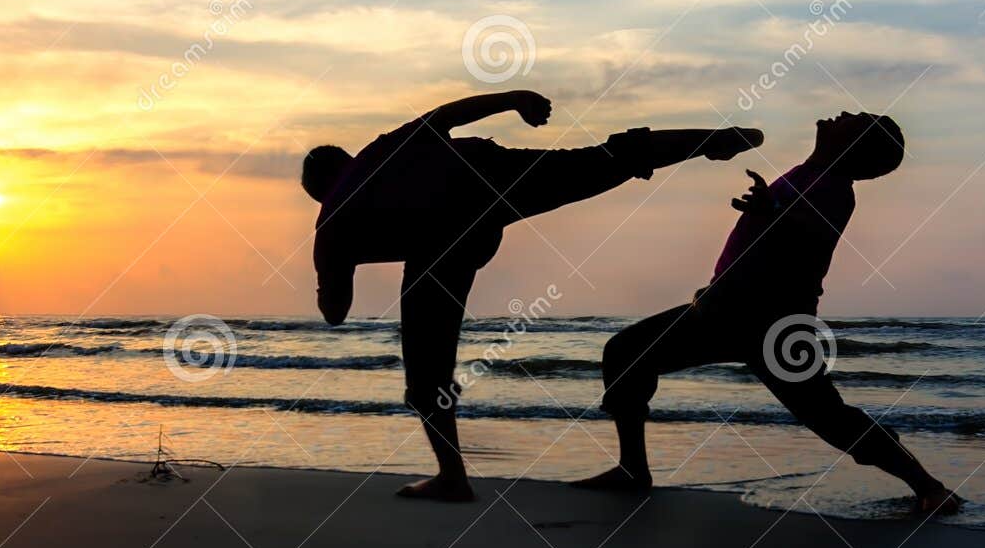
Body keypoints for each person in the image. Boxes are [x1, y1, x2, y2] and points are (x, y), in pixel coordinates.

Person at [303, 89, 762, 501]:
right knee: (597, 163)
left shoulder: (331, 225)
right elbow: (446, 115)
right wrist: (515, 98)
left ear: (318, 194)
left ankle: (452, 477)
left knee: (427, 375)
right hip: (484, 176)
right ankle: (709, 140)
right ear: (346, 159)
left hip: (442, 242)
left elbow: (336, 312)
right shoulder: (378, 151)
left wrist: (336, 273)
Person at [574, 111, 961, 515]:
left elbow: (813, 235)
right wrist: (768, 208)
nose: (844, 113)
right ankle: (632, 469)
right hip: (722, 312)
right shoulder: (808, 174)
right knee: (626, 352)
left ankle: (929, 487)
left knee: (828, 417)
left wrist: (771, 209)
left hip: (771, 323)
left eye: (855, 119)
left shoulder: (834, 188)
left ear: (853, 144)